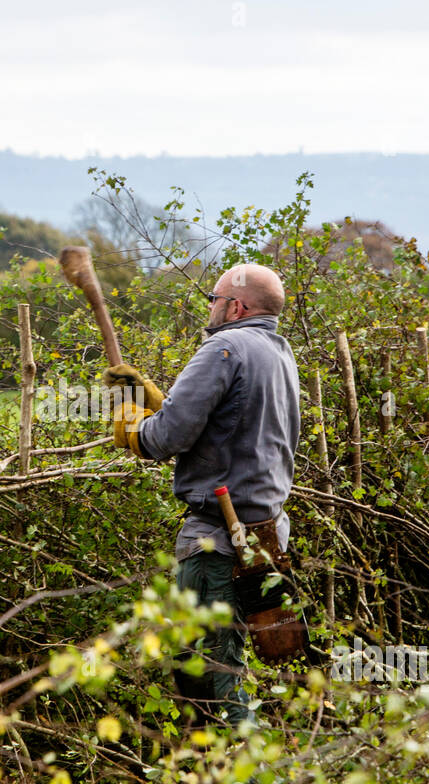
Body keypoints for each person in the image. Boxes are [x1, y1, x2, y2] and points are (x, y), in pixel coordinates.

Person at [104, 262, 301, 727]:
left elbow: (163, 440)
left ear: (235, 306)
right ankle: (223, 777)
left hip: (219, 540)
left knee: (210, 677)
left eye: (212, 300)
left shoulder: (225, 346)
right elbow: (221, 424)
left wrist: (128, 416)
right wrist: (155, 397)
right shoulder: (278, 352)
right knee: (216, 667)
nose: (208, 309)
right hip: (266, 537)